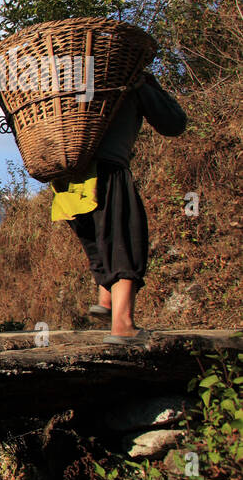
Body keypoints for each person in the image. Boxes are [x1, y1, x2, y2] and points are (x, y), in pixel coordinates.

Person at [58, 72, 186, 345]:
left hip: (66, 182)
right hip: (107, 171)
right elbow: (174, 124)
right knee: (125, 241)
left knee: (100, 243)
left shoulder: (67, 82)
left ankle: (106, 301)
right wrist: (149, 85)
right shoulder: (127, 77)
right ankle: (123, 325)